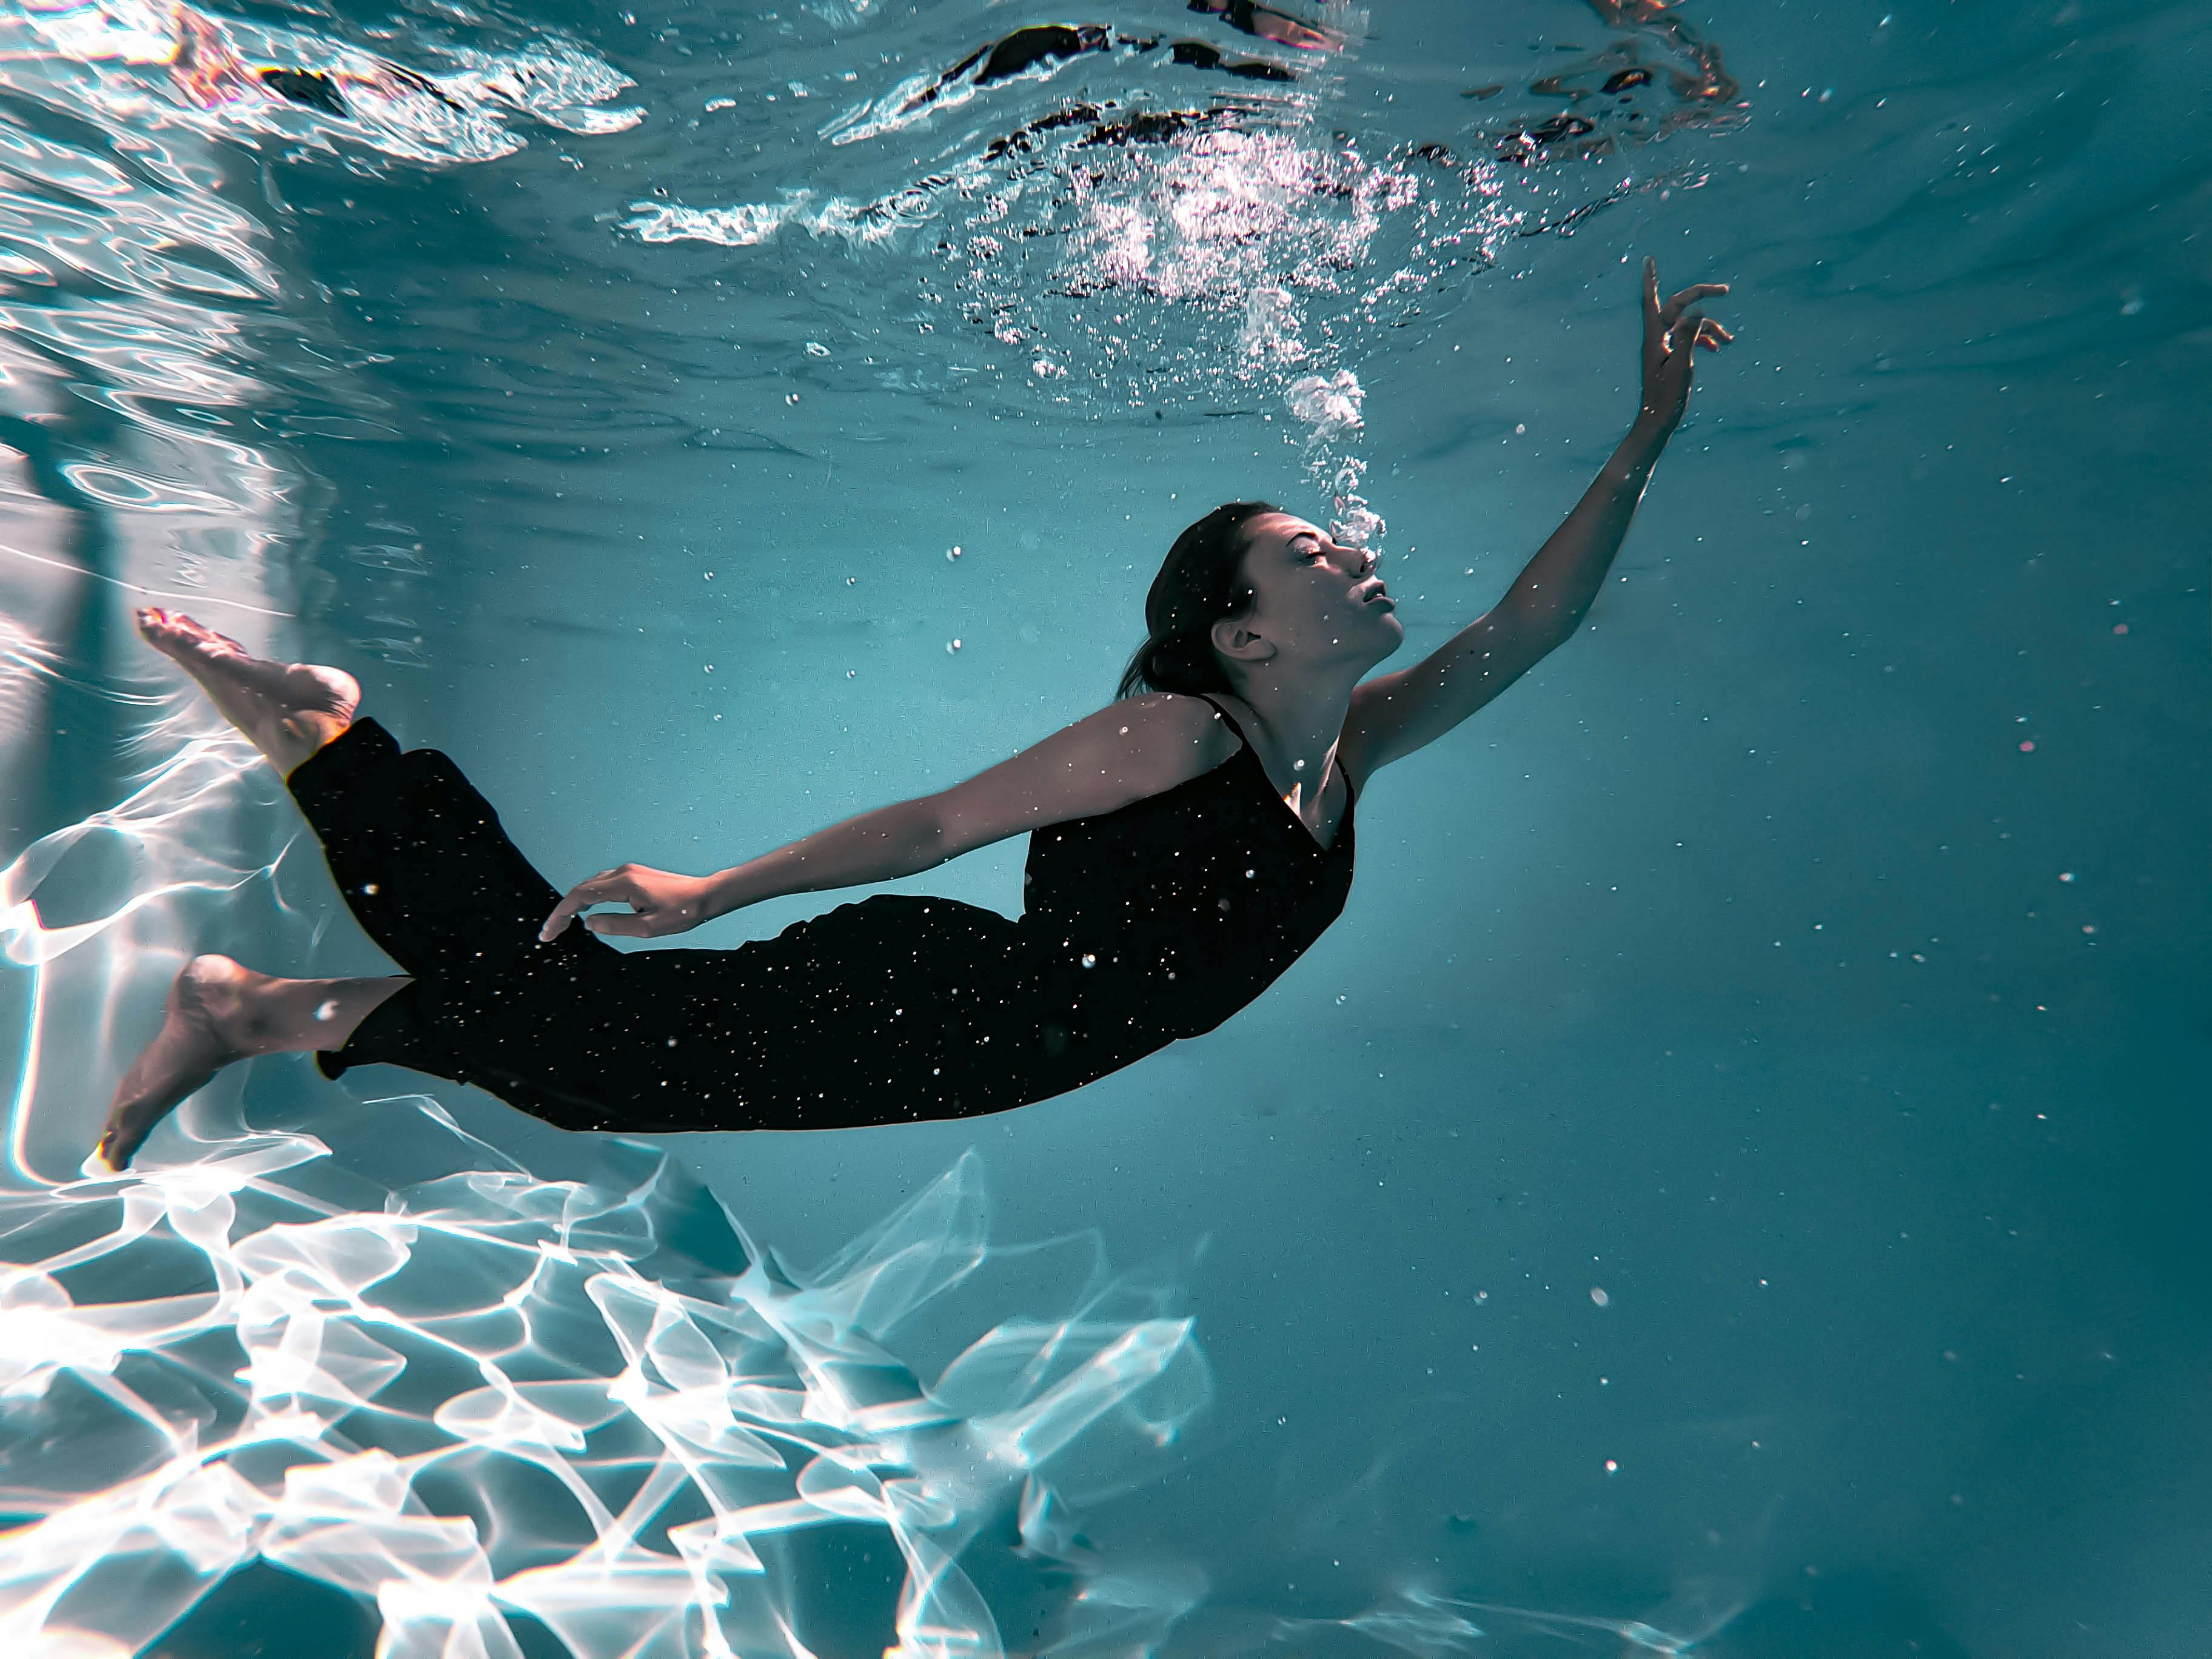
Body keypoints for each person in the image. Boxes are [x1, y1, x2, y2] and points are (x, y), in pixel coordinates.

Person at [95, 261, 1731, 1170]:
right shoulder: (1183, 735)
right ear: (1237, 629)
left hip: (1014, 1059)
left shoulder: (1349, 747)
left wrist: (1646, 433)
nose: (1359, 555)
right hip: (940, 1006)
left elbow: (1535, 623)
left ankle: (255, 1008)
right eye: (1313, 551)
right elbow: (945, 824)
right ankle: (332, 745)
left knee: (585, 1068)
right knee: (580, 1039)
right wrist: (713, 890)